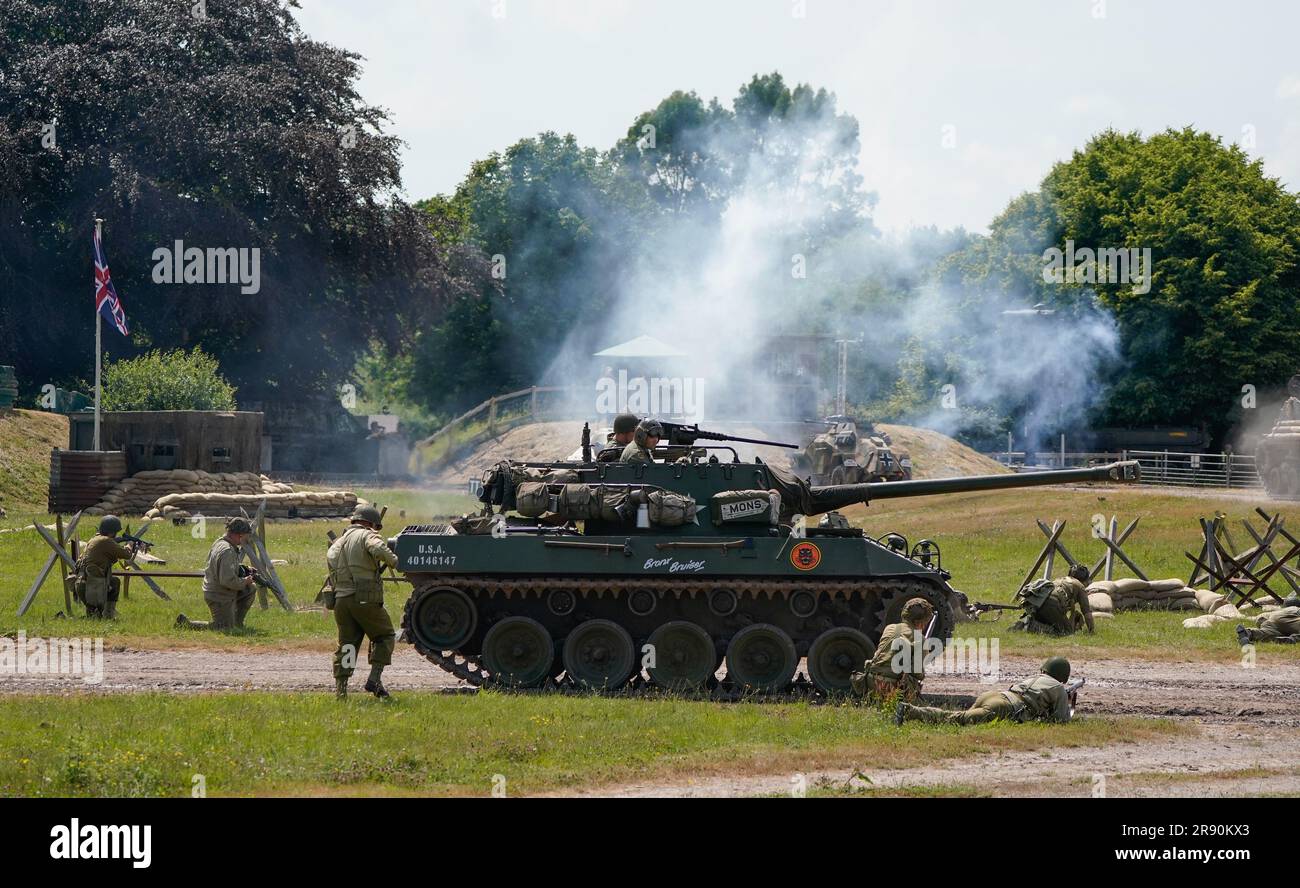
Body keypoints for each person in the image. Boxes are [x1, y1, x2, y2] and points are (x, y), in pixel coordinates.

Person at [327, 505, 399, 699]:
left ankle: (341, 691)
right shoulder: (367, 535)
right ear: (369, 523)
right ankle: (374, 679)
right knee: (384, 636)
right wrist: (395, 561)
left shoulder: (337, 543)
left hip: (341, 601)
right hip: (364, 598)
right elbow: (377, 548)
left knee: (348, 645)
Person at [895, 656, 1075, 726]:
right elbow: (1060, 720)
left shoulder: (1034, 678)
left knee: (962, 718)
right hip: (1004, 707)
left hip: (995, 696)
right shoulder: (1058, 688)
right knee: (955, 720)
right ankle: (911, 711)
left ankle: (912, 712)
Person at [176, 517, 256, 631]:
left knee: (250, 589)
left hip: (219, 591)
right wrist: (245, 581)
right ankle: (187, 624)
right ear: (238, 535)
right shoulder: (227, 551)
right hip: (219, 595)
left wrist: (243, 569)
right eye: (244, 536)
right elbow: (227, 580)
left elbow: (224, 567)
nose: (244, 540)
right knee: (224, 628)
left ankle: (237, 623)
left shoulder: (220, 543)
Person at [851, 597, 932, 703]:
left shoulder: (890, 628)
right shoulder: (920, 639)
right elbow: (917, 673)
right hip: (892, 687)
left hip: (871, 682)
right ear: (921, 622)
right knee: (924, 713)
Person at [72, 516, 134, 619]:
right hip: (93, 585)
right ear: (112, 532)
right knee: (114, 583)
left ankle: (104, 615)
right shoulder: (106, 541)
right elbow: (126, 555)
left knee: (113, 582)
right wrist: (129, 545)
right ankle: (108, 615)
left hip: (83, 583)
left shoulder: (94, 539)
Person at [1011, 563, 1095, 635]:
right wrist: (1092, 632)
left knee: (1051, 625)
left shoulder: (1060, 580)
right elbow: (1087, 614)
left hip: (1036, 603)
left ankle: (1029, 624)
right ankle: (1029, 626)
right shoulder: (1080, 586)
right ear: (1084, 579)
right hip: (1051, 604)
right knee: (1066, 632)